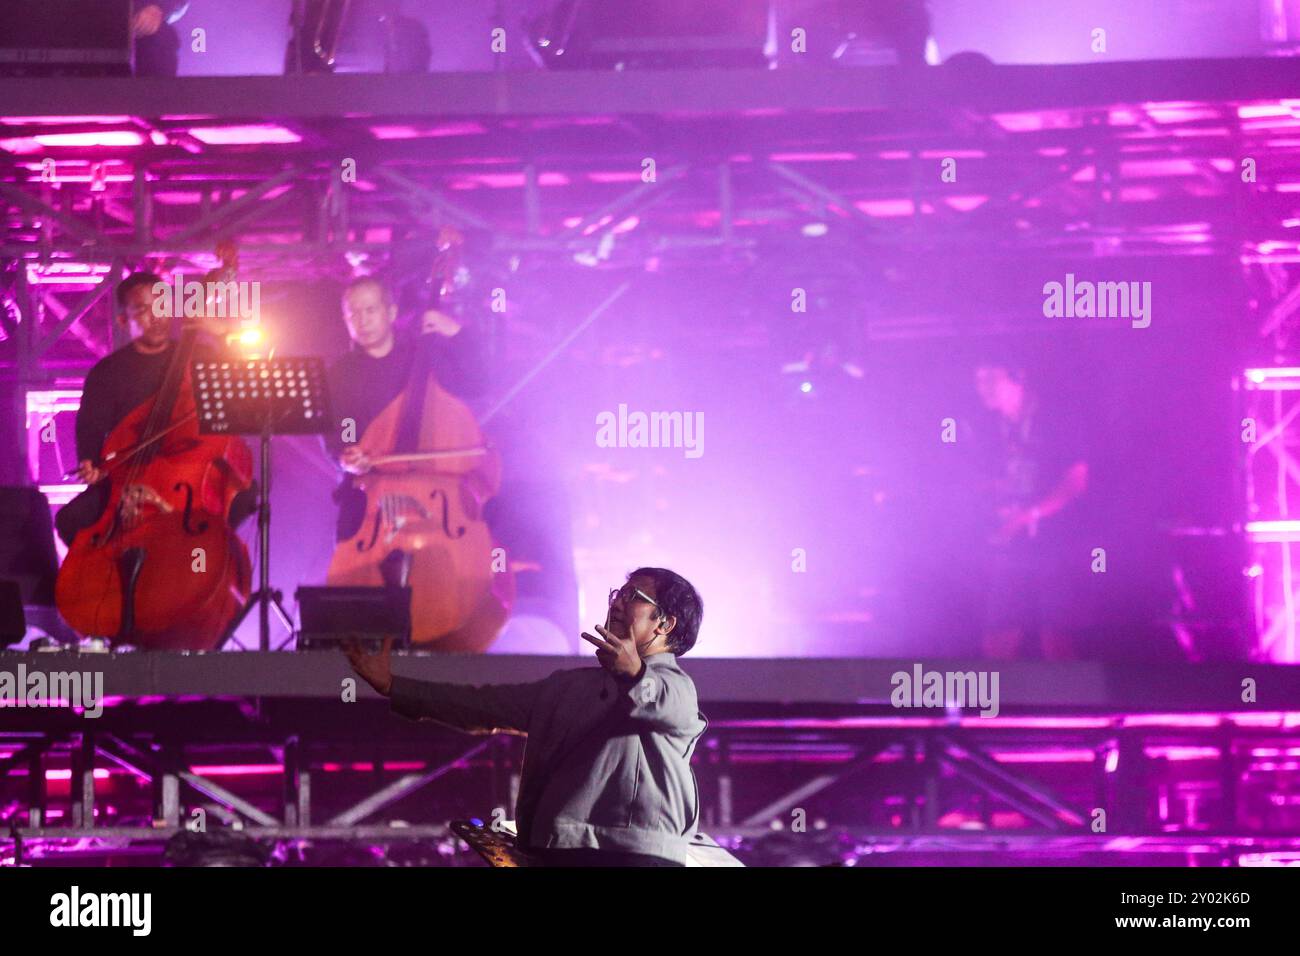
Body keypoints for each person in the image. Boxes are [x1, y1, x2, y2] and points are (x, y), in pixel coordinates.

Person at [344, 567, 708, 867]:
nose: (617, 602)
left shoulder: (676, 686)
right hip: (558, 852)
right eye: (618, 592)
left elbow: (664, 702)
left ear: (665, 624)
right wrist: (394, 685)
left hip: (637, 857)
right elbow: (481, 706)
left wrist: (634, 674)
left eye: (633, 597)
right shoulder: (568, 688)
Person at [55, 271, 253, 547]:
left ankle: (205, 551)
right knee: (69, 520)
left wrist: (220, 330)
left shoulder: (200, 358)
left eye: (162, 306)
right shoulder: (108, 373)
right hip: (130, 474)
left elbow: (245, 371)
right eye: (143, 310)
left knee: (246, 493)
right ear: (124, 321)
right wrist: (90, 462)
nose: (157, 316)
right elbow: (90, 427)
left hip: (188, 471)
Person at [323, 275, 487, 543]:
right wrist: (349, 451)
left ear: (391, 312)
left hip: (431, 490)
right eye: (353, 314)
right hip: (367, 493)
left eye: (371, 310)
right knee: (351, 575)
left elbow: (477, 384)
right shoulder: (341, 374)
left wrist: (458, 334)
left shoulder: (421, 358)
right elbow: (345, 424)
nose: (362, 320)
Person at [973, 362, 1090, 660]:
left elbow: (1076, 481)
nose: (982, 388)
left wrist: (1030, 515)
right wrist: (993, 493)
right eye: (978, 380)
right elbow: (1012, 475)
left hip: (1057, 543)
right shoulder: (992, 426)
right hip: (1014, 542)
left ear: (1017, 380)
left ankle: (1071, 704)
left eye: (990, 378)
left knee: (1057, 638)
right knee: (998, 638)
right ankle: (997, 704)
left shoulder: (1055, 418)